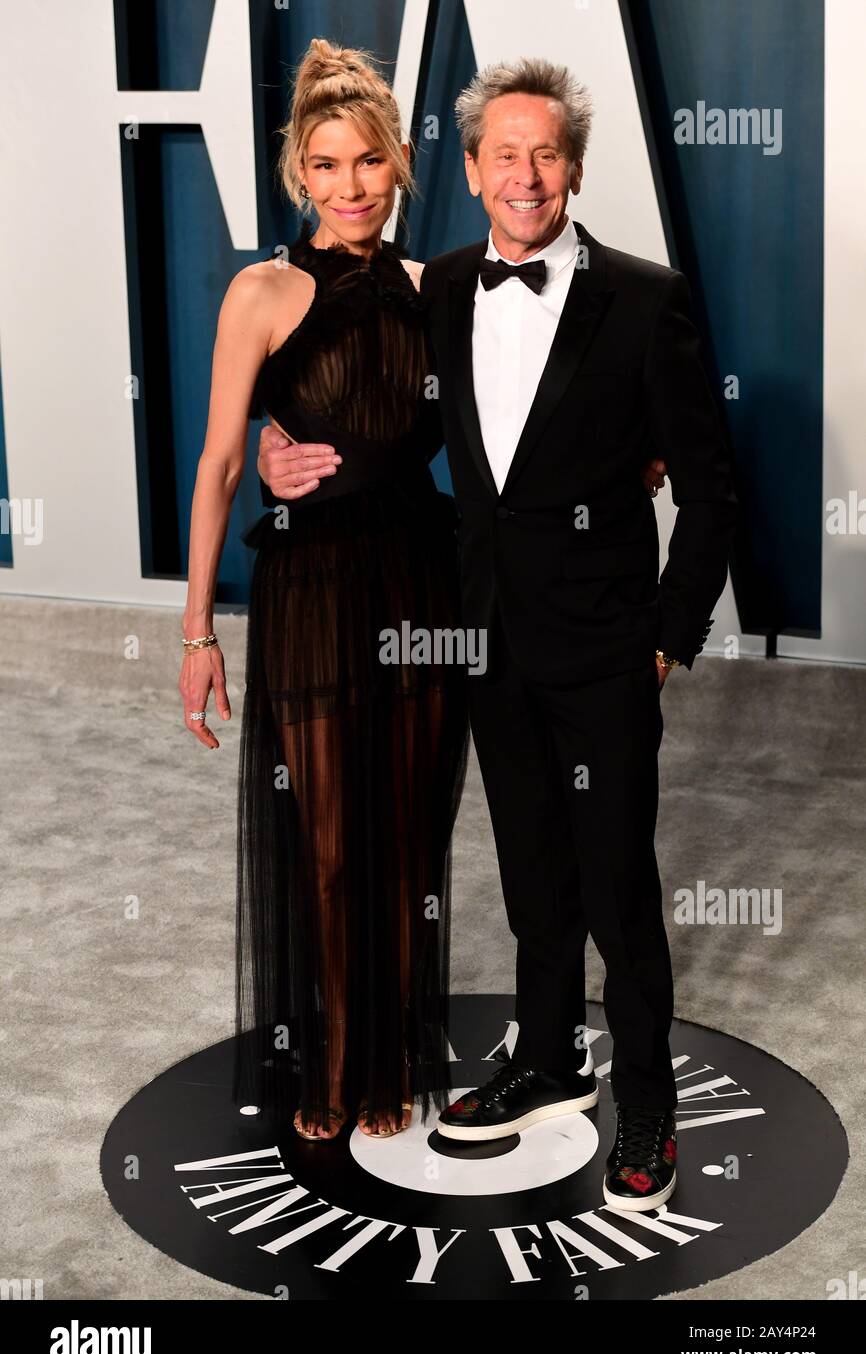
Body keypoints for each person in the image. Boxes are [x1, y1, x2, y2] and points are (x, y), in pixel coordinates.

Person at [262, 55, 737, 1211]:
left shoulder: (644, 295)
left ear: (572, 165)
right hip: (483, 640)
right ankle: (543, 1057)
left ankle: (650, 1110)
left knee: (616, 880)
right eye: (501, 155)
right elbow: (377, 420)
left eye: (545, 153)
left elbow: (711, 486)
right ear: (470, 171)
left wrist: (667, 638)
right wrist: (283, 450)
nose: (524, 175)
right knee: (529, 871)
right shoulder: (441, 287)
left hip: (608, 645)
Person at [179, 37, 470, 1140]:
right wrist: (199, 628)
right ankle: (338, 1058)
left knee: (407, 837)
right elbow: (215, 462)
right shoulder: (262, 291)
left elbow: (515, 414)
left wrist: (632, 453)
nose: (350, 187)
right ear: (299, 176)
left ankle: (392, 1049)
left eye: (369, 163)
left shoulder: (437, 288)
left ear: (399, 165)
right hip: (307, 588)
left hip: (420, 581)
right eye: (326, 165)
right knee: (332, 841)